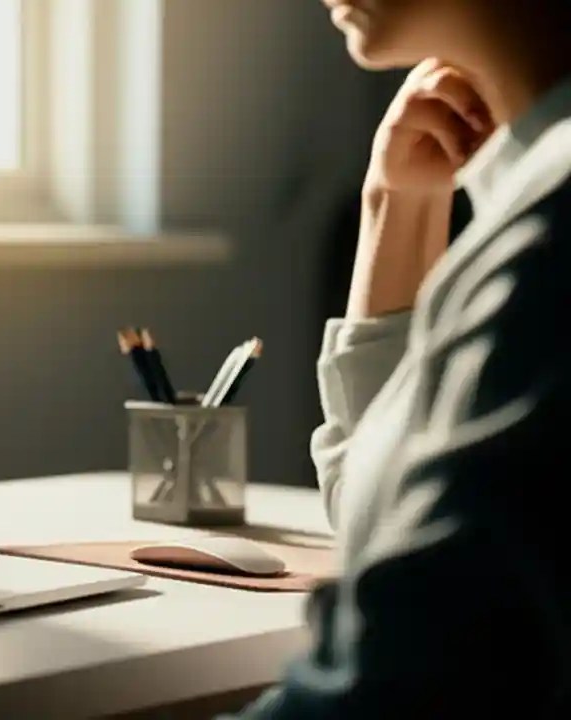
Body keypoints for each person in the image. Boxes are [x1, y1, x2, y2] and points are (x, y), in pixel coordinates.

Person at [234, 0, 571, 716]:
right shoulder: (533, 192)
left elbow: (398, 684)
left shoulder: (554, 237)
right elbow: (385, 529)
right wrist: (398, 208)